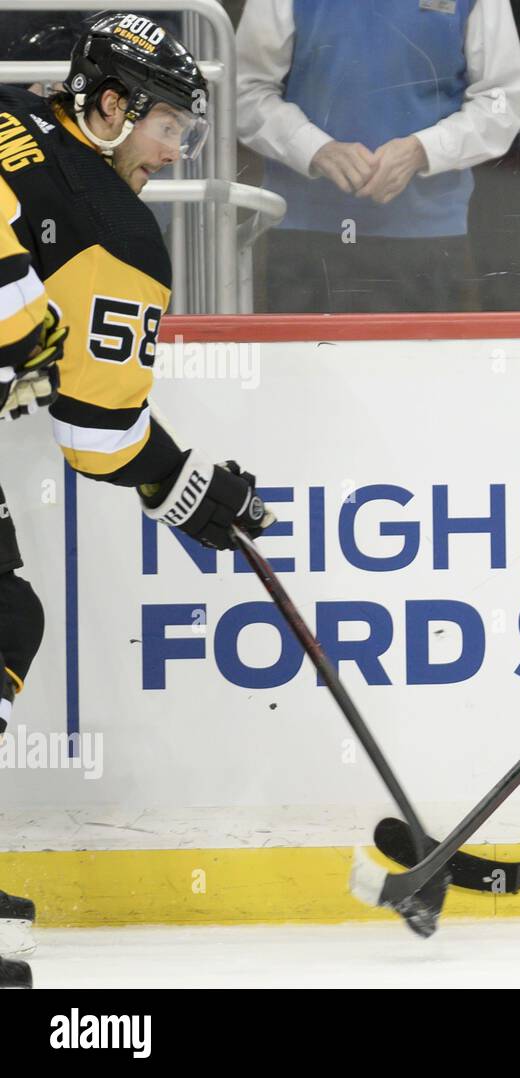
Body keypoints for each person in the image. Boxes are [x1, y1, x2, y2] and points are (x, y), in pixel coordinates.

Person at [0, 11, 274, 987]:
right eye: (169, 129)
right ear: (109, 107)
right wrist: (186, 487)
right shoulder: (119, 237)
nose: (173, 154)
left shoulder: (13, 120)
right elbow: (98, 436)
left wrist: (186, 487)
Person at [235, 0, 520, 313]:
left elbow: (500, 101)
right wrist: (315, 149)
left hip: (430, 240)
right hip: (304, 240)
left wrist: (423, 150)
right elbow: (245, 91)